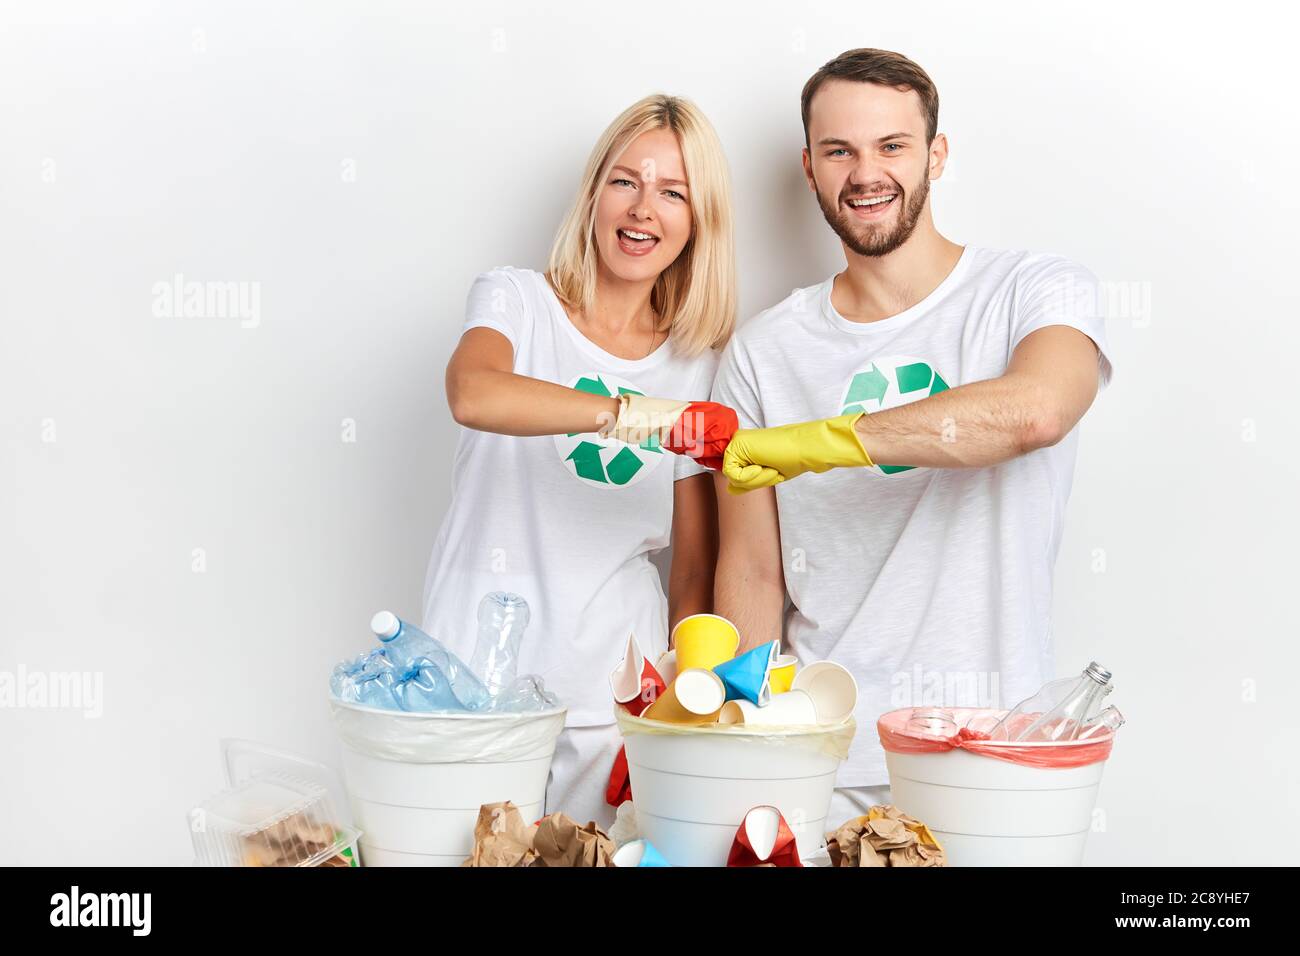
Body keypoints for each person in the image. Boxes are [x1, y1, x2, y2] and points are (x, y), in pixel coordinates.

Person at [711, 49, 1114, 827]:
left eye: (892, 146)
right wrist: (740, 739)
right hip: (826, 757)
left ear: (936, 154)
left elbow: (1037, 412)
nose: (867, 173)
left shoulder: (1033, 291)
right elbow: (754, 575)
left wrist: (822, 441)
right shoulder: (763, 352)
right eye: (840, 151)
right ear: (809, 166)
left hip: (1003, 753)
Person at [422, 94, 737, 829]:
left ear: (700, 223)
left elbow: (691, 573)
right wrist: (634, 415)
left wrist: (675, 719)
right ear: (594, 192)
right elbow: (472, 394)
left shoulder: (699, 366)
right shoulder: (517, 302)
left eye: (673, 192)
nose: (643, 209)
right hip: (471, 683)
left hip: (610, 701)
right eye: (626, 180)